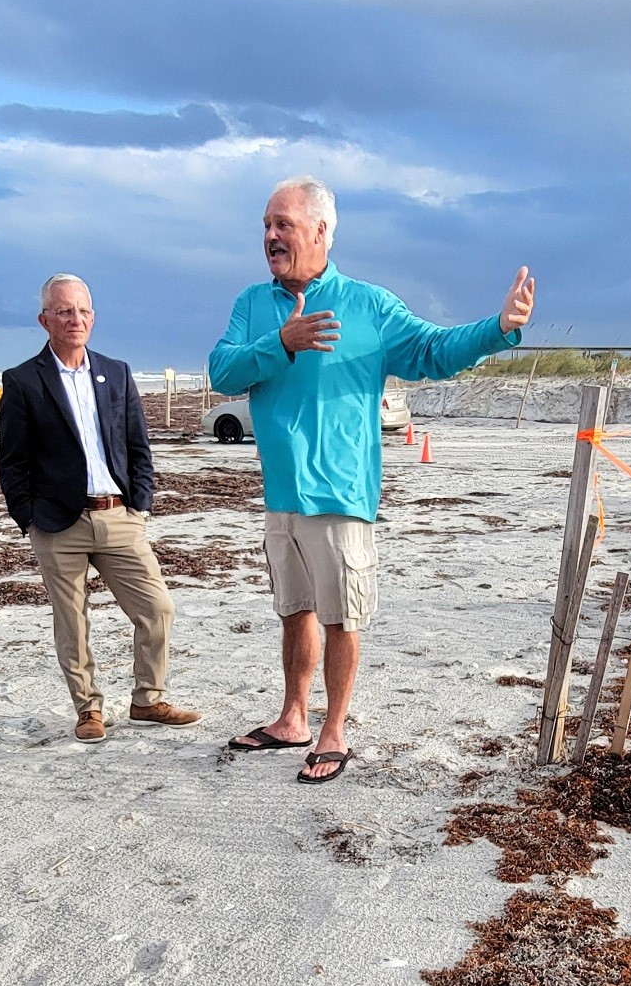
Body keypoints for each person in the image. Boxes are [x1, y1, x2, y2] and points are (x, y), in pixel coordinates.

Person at [208, 175, 534, 785]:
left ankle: (333, 730)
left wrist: (500, 327)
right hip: (280, 495)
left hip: (341, 493)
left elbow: (436, 350)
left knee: (341, 617)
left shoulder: (368, 305)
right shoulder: (253, 303)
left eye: (283, 224)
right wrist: (280, 342)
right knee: (295, 611)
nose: (271, 236)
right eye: (266, 225)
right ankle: (293, 718)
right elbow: (222, 371)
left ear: (321, 230)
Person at [0, 274, 202, 742]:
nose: (76, 319)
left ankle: (148, 699)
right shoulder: (23, 381)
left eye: (83, 311)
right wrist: (27, 517)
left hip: (119, 516)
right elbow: (12, 460)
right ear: (44, 319)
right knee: (72, 620)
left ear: (93, 316)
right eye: (65, 311)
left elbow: (138, 445)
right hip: (55, 523)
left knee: (157, 608)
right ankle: (87, 708)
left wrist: (141, 505)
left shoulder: (117, 372)